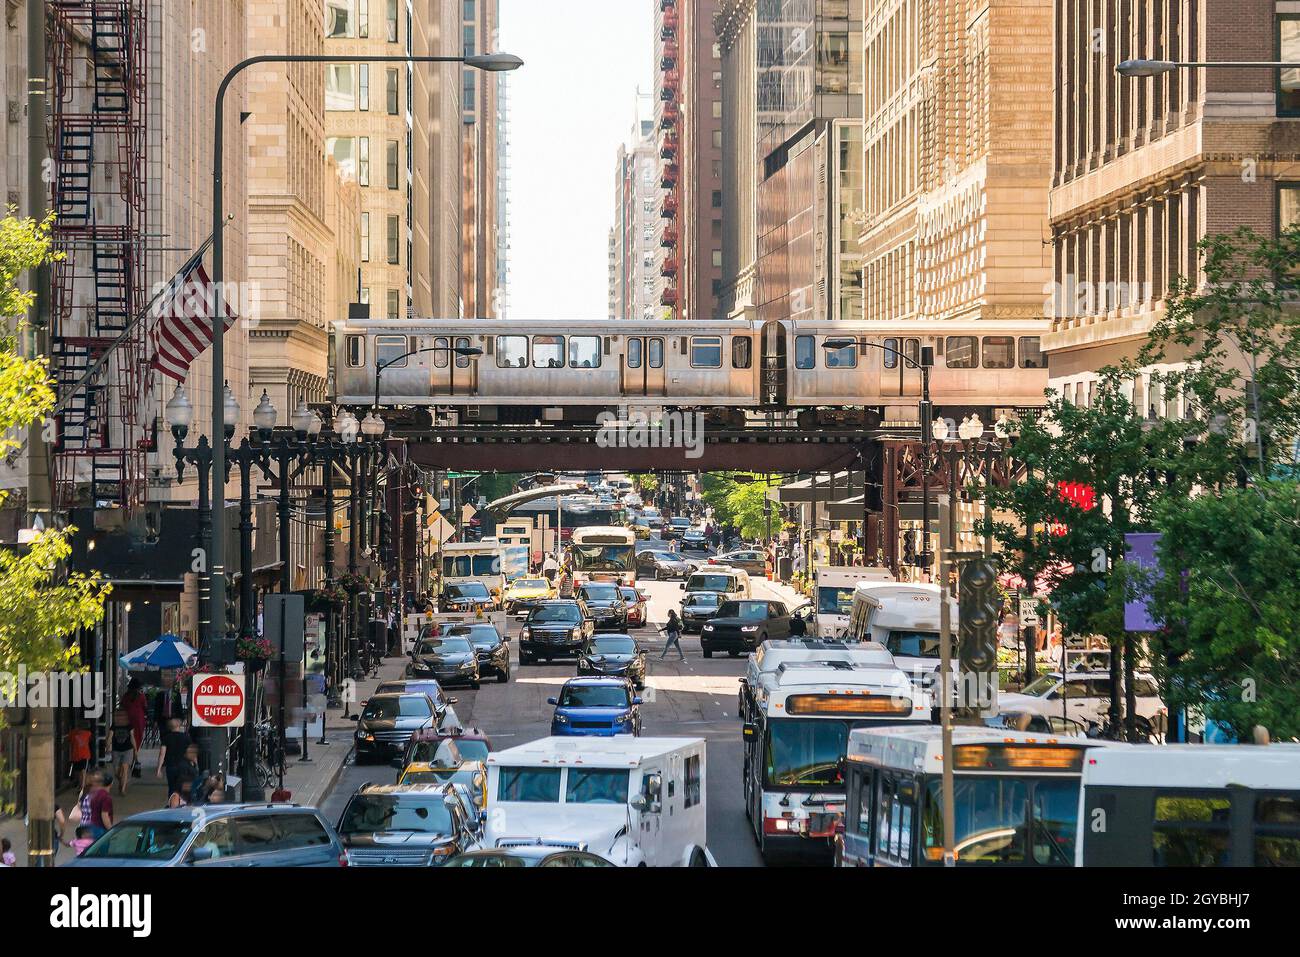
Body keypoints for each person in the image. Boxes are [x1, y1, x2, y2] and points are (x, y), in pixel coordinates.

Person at [155, 717, 192, 798]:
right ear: (179, 725)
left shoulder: (166, 738)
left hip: (171, 766)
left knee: (172, 787)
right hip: (184, 766)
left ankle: (172, 804)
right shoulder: (186, 737)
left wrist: (159, 769)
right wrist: (194, 764)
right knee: (183, 787)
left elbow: (162, 754)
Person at [122, 678, 148, 774]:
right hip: (139, 720)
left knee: (129, 740)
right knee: (137, 740)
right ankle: (135, 759)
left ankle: (130, 759)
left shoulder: (126, 696)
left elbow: (122, 706)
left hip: (128, 720)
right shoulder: (141, 696)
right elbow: (145, 707)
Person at [107, 709, 136, 795]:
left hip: (128, 749)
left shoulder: (129, 726)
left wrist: (135, 749)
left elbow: (132, 737)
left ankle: (123, 789)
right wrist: (108, 745)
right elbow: (110, 736)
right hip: (116, 750)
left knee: (125, 768)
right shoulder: (114, 726)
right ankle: (121, 781)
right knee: (116, 772)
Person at [86, 770, 114, 840]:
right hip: (101, 828)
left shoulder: (95, 794)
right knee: (102, 849)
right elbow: (105, 816)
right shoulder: (106, 797)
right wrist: (111, 831)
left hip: (92, 825)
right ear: (111, 783)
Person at [65, 721, 92, 791]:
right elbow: (69, 740)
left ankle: (82, 787)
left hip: (83, 756)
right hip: (77, 756)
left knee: (82, 771)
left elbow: (68, 741)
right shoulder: (86, 733)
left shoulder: (86, 733)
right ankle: (82, 785)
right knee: (79, 772)